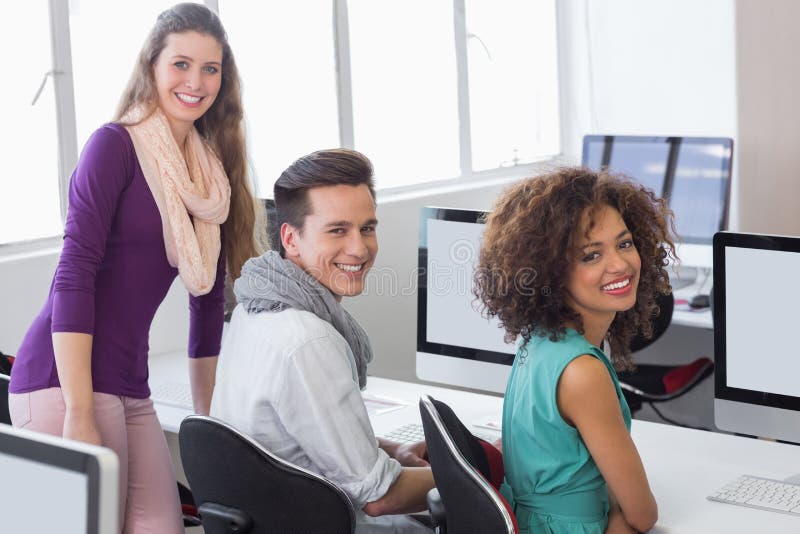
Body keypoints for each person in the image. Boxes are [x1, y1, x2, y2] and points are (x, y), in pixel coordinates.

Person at [8, 4, 263, 532]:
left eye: (210, 69)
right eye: (181, 64)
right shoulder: (114, 147)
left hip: (128, 382)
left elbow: (208, 302)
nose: (196, 81)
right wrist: (79, 410)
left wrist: (208, 419)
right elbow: (73, 276)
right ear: (152, 66)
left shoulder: (208, 177)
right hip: (65, 381)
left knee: (163, 524)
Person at [211, 149, 434, 532]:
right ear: (291, 239)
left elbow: (300, 439)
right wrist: (474, 470)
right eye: (337, 230)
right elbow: (380, 497)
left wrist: (392, 450)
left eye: (367, 228)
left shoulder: (253, 308)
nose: (359, 249)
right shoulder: (308, 341)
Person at [474, 168, 674, 533]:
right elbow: (642, 515)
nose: (619, 264)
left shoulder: (537, 340)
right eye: (591, 255)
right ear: (550, 271)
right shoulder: (582, 370)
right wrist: (617, 508)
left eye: (624, 243)